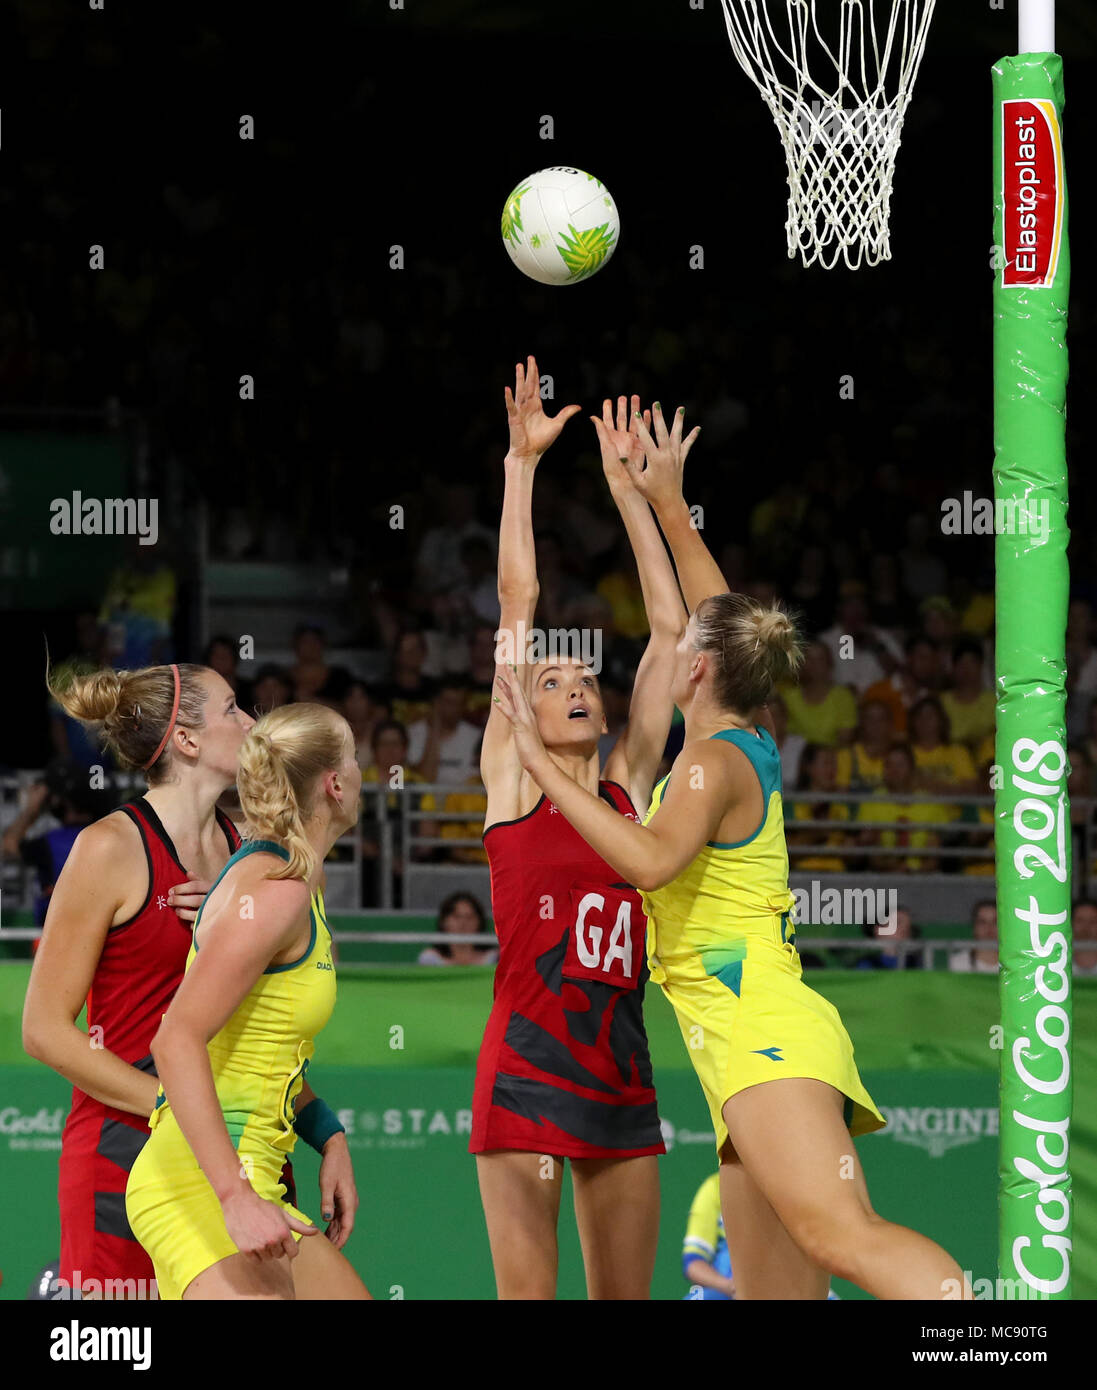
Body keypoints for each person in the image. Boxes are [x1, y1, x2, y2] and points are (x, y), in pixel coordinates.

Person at [493, 404, 969, 1300]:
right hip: (738, 1044)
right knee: (776, 1293)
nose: (671, 645)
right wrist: (654, 503)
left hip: (760, 1032)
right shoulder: (733, 734)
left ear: (698, 671)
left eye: (683, 648)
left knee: (842, 1234)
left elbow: (646, 864)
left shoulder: (708, 765)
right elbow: (712, 615)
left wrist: (542, 769)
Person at [473, 363, 681, 1301]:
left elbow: (673, 636)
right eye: (551, 681)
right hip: (524, 1074)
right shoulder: (515, 779)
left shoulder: (628, 784)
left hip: (622, 1074)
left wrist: (633, 498)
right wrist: (521, 465)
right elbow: (517, 602)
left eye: (582, 680)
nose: (574, 687)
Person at [22, 663, 255, 1297]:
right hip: (124, 1150)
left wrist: (325, 1129)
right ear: (186, 739)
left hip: (234, 1150)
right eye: (233, 709)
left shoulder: (246, 851)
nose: (252, 723)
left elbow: (279, 999)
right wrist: (171, 1107)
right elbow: (43, 1031)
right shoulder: (108, 849)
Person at [125, 703, 369, 1300]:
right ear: (335, 784)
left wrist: (330, 1136)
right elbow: (175, 1039)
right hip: (200, 1185)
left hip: (252, 1178)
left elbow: (259, 1050)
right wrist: (235, 1197)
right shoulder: (277, 891)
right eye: (357, 758)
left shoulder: (293, 883)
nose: (366, 771)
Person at [1, 761, 111, 926]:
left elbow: (7, 847)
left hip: (58, 935)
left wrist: (31, 810)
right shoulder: (109, 836)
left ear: (64, 801)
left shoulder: (51, 842)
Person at [779, 641, 857, 748]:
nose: (814, 665)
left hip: (831, 761)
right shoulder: (787, 697)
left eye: (820, 659)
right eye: (809, 659)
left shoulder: (843, 697)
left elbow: (844, 742)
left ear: (830, 664)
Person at [682, 1171, 734, 1300]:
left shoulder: (784, 1184)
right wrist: (732, 1288)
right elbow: (693, 1262)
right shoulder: (715, 1187)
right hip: (726, 1292)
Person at [418, 892, 497, 966]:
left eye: (469, 917)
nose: (463, 923)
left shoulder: (493, 959)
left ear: (479, 922)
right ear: (444, 921)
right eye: (456, 917)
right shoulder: (430, 960)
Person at [855, 906, 921, 970]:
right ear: (878, 929)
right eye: (898, 923)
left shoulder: (917, 963)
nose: (905, 929)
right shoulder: (866, 963)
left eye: (908, 925)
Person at [948, 900, 998, 974]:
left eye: (995, 922)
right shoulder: (957, 963)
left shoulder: (1014, 963)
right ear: (974, 926)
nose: (989, 927)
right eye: (982, 922)